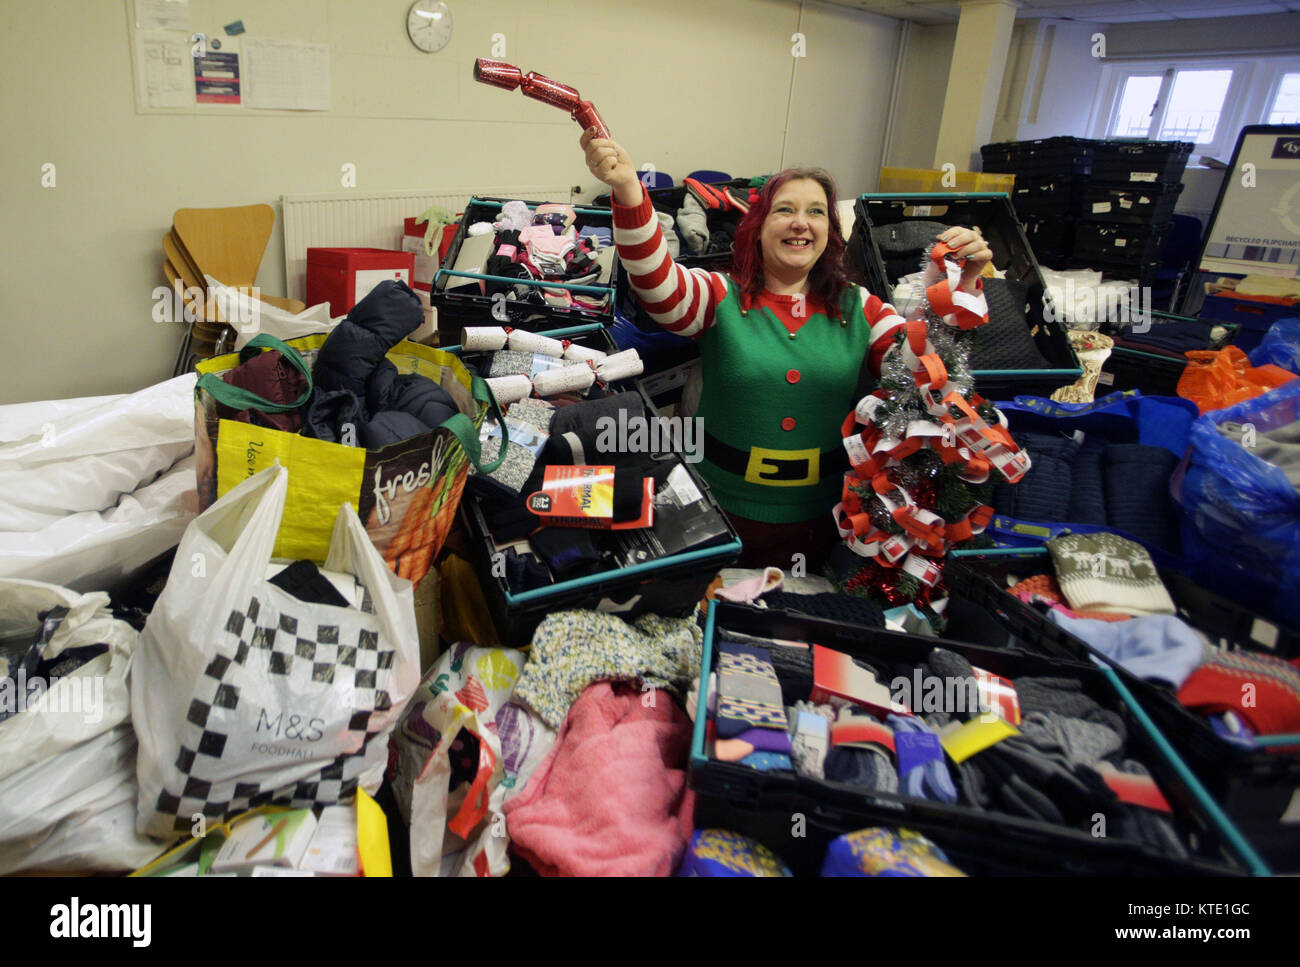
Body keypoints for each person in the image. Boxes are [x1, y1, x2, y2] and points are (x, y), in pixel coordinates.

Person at [581, 129, 993, 568]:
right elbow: (658, 287)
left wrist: (961, 286)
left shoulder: (861, 307)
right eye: (785, 210)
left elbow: (917, 372)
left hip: (819, 520)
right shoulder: (721, 295)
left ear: (829, 232)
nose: (801, 222)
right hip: (717, 511)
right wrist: (628, 190)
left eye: (816, 212)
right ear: (758, 229)